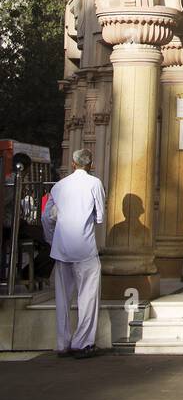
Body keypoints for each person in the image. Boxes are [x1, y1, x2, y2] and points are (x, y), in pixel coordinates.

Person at [41, 149, 106, 359]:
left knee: (62, 297)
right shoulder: (94, 183)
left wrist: (53, 240)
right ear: (91, 164)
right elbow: (100, 216)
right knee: (87, 295)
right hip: (85, 247)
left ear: (73, 163)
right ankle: (83, 342)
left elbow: (46, 218)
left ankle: (63, 343)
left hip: (62, 248)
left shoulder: (59, 186)